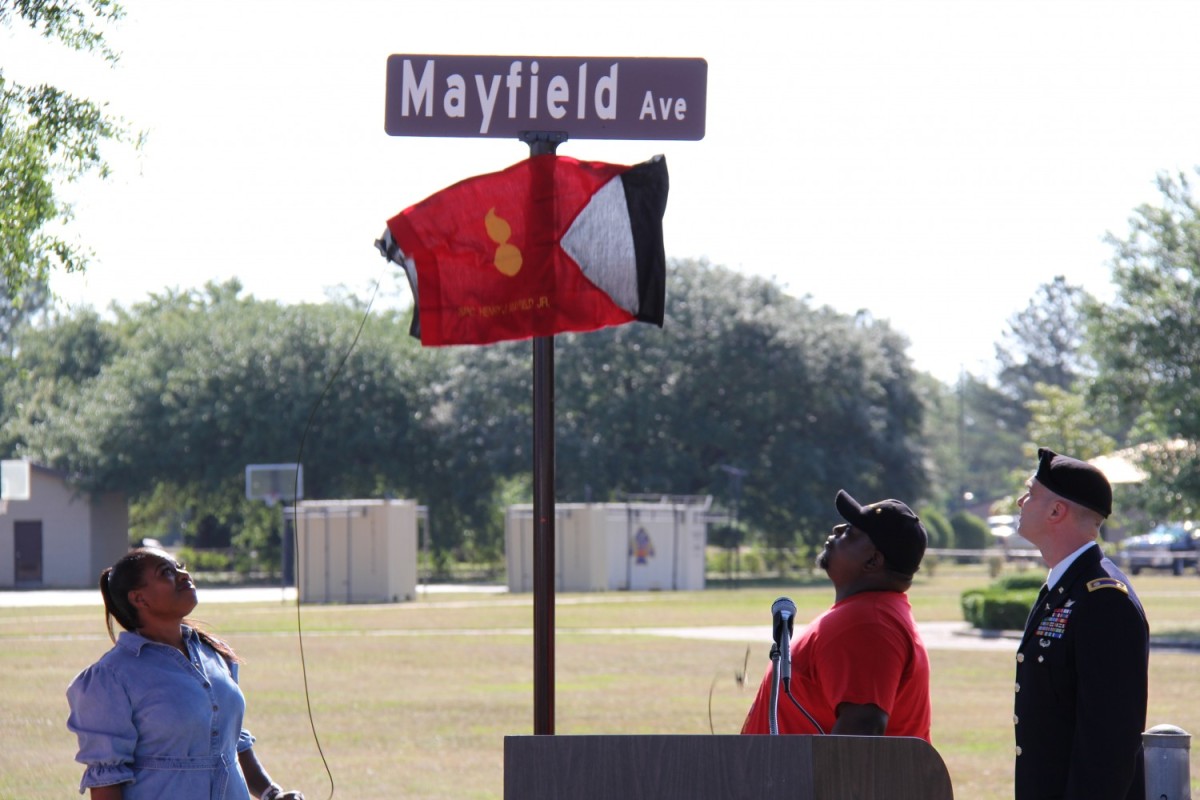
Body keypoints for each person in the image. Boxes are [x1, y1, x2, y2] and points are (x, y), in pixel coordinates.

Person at [66, 547, 304, 800]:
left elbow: (232, 741)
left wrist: (272, 794)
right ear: (139, 599)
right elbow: (106, 781)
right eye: (166, 572)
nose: (184, 575)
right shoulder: (111, 678)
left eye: (180, 567)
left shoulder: (216, 654)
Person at [1013, 448, 1149, 800]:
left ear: (1056, 511)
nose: (1020, 501)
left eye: (1030, 493)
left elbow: (1109, 745)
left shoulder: (1103, 599)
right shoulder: (1066, 586)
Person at [741, 490, 932, 740]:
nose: (839, 528)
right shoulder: (872, 613)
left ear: (873, 561)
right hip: (786, 767)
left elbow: (861, 732)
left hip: (809, 769)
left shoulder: (867, 624)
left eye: (852, 531)